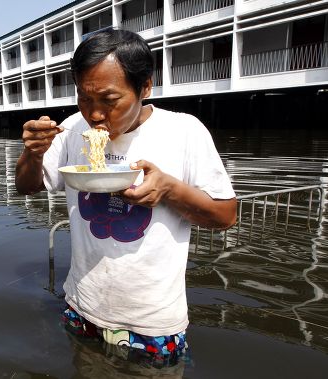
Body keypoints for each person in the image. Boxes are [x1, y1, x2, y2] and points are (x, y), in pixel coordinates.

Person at [15, 28, 236, 366]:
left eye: (109, 100)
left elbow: (225, 216)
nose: (96, 115)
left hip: (152, 322)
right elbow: (26, 186)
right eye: (85, 99)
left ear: (145, 86)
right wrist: (32, 154)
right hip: (82, 306)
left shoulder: (184, 131)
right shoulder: (74, 128)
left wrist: (169, 189)